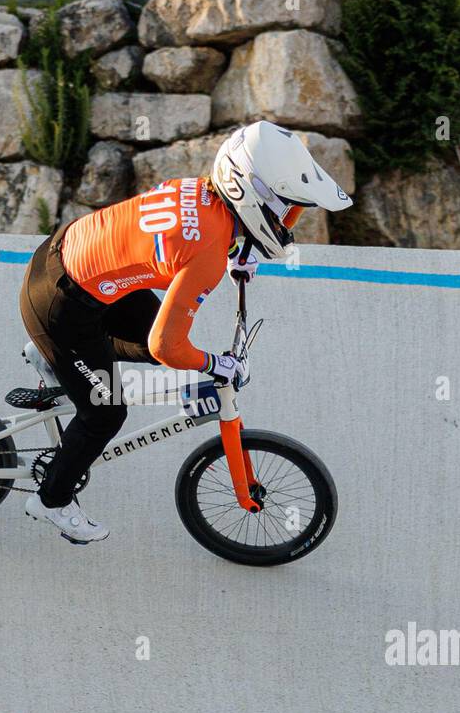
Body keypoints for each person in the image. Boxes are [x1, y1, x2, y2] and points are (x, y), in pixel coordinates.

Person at [18, 120, 353, 544]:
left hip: (67, 263)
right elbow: (168, 344)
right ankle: (51, 501)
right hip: (59, 304)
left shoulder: (204, 192)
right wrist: (216, 364)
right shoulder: (208, 256)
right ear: (253, 196)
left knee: (155, 345)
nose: (290, 222)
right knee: (106, 412)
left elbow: (182, 242)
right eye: (287, 209)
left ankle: (57, 357)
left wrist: (238, 249)